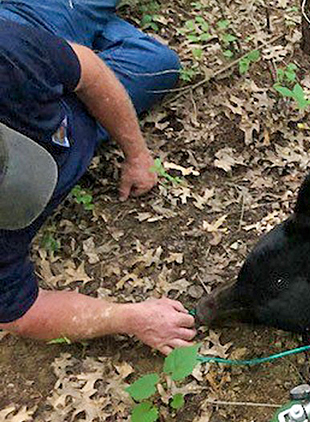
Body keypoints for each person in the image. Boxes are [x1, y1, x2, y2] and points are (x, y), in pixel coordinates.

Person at [0, 0, 196, 354]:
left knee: (87, 7)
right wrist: (129, 318)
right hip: (71, 109)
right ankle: (81, 41)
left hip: (27, 23)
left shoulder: (9, 55)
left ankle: (76, 34)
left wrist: (137, 154)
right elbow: (21, 313)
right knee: (158, 62)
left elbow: (89, 71)